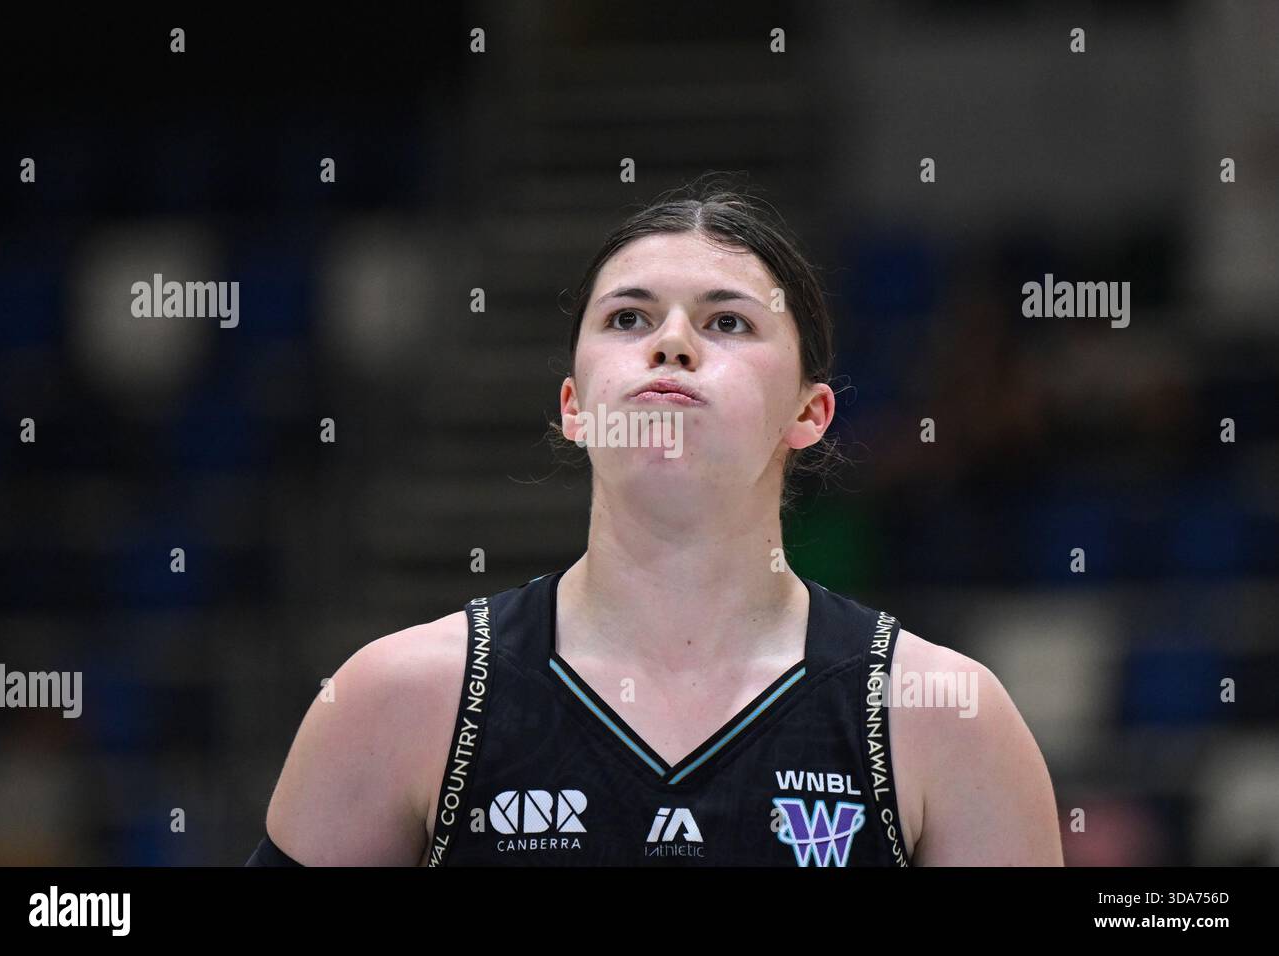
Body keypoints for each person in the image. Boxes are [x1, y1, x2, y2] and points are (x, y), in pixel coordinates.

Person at [248, 178, 1064, 867]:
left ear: (809, 414)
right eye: (628, 319)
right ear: (574, 408)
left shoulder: (939, 716)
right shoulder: (398, 697)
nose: (671, 343)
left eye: (728, 322)